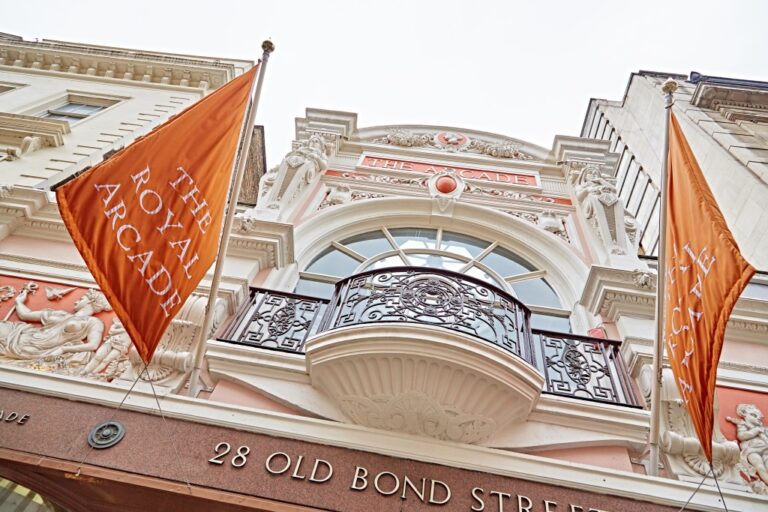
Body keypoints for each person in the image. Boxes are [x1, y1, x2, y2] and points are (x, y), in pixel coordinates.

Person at [0, 288, 110, 361]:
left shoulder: (94, 322)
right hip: (26, 335)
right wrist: (19, 302)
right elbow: (25, 315)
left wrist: (63, 349)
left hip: (40, 349)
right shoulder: (61, 314)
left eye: (81, 299)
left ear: (90, 302)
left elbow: (93, 345)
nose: (75, 301)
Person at [728, 404, 768, 485]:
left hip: (765, 450)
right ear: (744, 414)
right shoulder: (742, 424)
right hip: (752, 450)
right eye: (753, 415)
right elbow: (741, 436)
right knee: (759, 466)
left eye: (759, 417)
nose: (757, 418)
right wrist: (754, 431)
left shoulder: (763, 429)